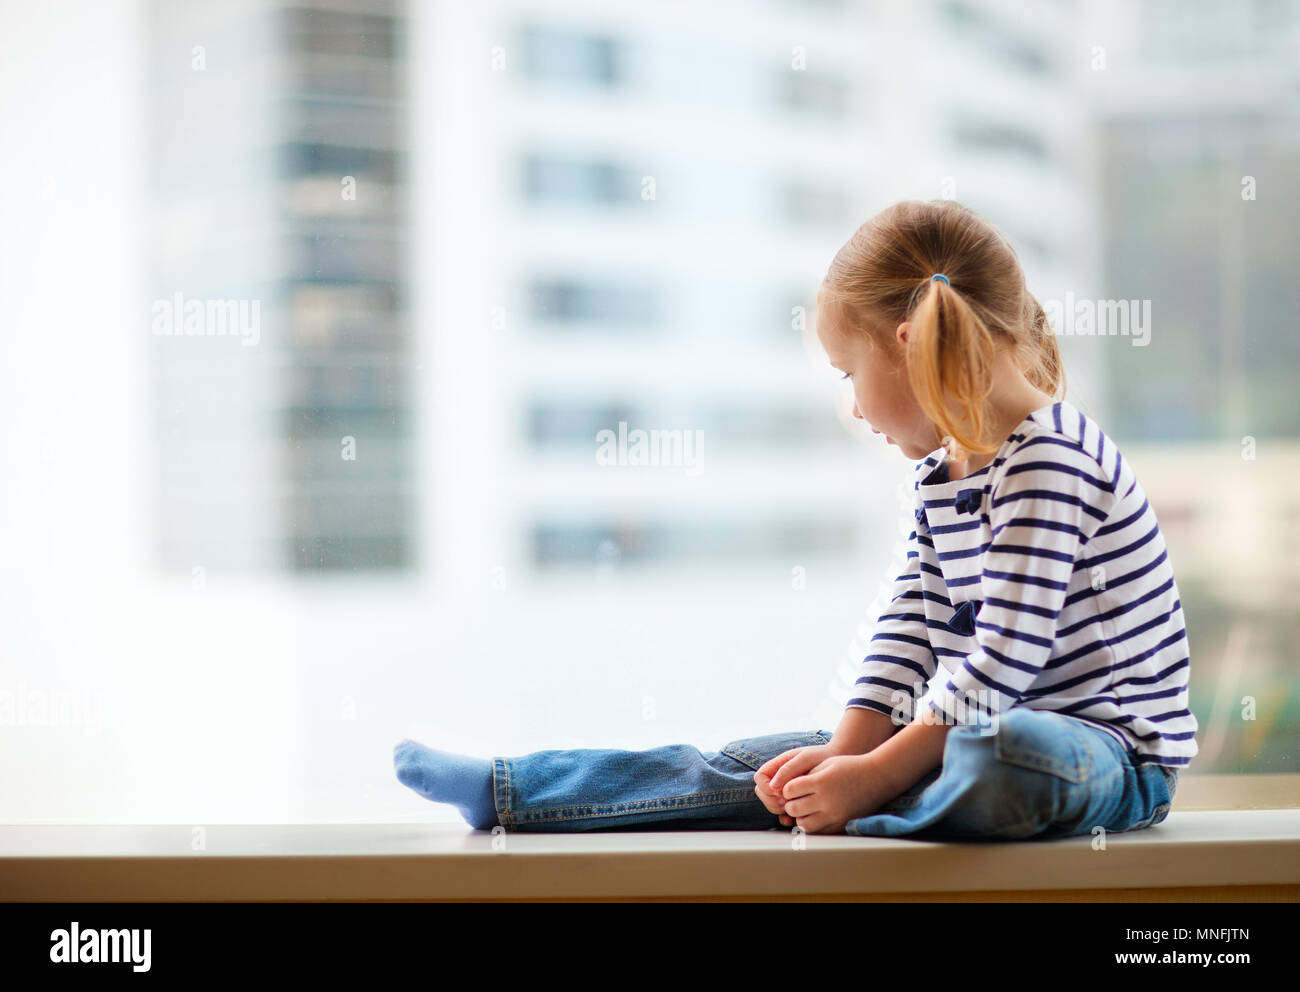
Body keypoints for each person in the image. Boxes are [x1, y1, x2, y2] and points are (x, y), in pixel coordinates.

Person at [393, 199, 1198, 840]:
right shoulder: (939, 476)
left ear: (914, 347)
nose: (852, 405)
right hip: (956, 731)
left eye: (851, 371)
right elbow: (909, 628)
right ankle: (515, 791)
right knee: (759, 764)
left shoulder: (1052, 459)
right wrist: (846, 754)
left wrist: (879, 772)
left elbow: (1003, 660)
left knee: (1002, 755)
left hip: (1108, 758)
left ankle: (871, 809)